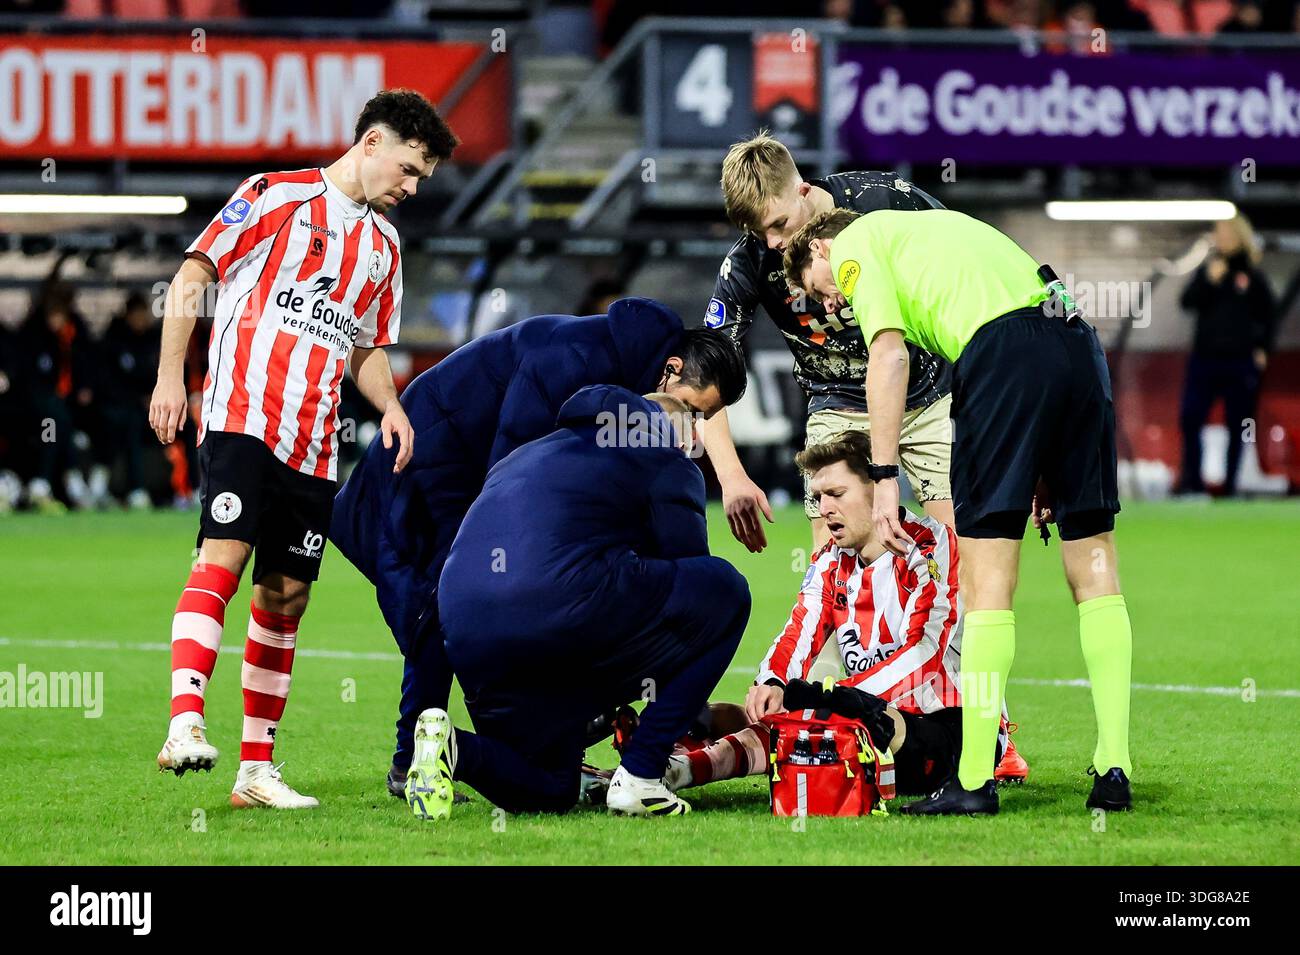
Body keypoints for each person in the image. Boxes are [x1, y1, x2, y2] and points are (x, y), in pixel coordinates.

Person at [150, 88, 458, 809]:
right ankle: (184, 720)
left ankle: (256, 770)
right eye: (410, 170)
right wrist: (171, 376)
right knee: (222, 556)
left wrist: (393, 408)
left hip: (316, 439)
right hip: (242, 414)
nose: (411, 189)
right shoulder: (273, 195)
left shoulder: (384, 246)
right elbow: (194, 275)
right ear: (373, 142)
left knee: (285, 597)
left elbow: (366, 346)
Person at [784, 207, 1132, 815]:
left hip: (1001, 354)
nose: (834, 303)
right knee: (1095, 563)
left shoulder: (853, 244)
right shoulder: (929, 231)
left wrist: (885, 476)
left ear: (818, 247)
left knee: (985, 576)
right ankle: (1114, 765)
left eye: (821, 290)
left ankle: (974, 779)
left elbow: (888, 358)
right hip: (1076, 340)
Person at [328, 300, 747, 798]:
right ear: (671, 369)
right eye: (696, 410)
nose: (693, 428)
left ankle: (451, 749)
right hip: (434, 459)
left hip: (474, 480)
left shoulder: (612, 370)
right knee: (434, 606)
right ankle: (408, 760)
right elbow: (513, 459)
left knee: (467, 605)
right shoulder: (575, 357)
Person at [406, 386, 750, 818]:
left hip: (464, 628)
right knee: (727, 591)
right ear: (677, 436)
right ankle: (640, 777)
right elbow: (691, 599)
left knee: (551, 787)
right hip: (559, 610)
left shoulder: (526, 454)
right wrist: (686, 714)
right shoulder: (664, 455)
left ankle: (453, 747)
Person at [661, 432, 1016, 798]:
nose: (824, 508)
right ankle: (670, 768)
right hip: (861, 714)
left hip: (944, 722)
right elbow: (801, 625)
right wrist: (773, 681)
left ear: (878, 490)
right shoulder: (832, 560)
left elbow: (926, 655)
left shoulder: (929, 547)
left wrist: (838, 696)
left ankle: (686, 751)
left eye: (836, 494)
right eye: (817, 497)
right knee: (795, 721)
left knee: (825, 723)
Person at [700, 131, 953, 555]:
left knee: (956, 549)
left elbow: (962, 250)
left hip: (924, 394)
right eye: (759, 233)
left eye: (779, 225)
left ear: (803, 191)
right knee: (834, 558)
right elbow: (707, 376)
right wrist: (732, 477)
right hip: (837, 403)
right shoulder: (748, 263)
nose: (774, 243)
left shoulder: (882, 198)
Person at [1177, 214, 1276, 496]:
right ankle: (1192, 484)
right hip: (1205, 359)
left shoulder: (1252, 275)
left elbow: (1268, 316)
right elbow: (1187, 302)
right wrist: (1208, 281)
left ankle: (1231, 485)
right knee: (1191, 418)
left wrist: (1262, 350)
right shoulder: (1209, 269)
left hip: (1240, 361)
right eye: (1217, 233)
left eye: (1225, 232)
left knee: (1238, 423)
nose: (1220, 238)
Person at [98, 291, 162, 509]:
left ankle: (190, 488)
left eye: (143, 315)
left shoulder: (153, 340)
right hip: (116, 408)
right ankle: (136, 489)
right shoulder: (114, 341)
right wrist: (138, 399)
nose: (141, 320)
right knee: (130, 425)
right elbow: (109, 383)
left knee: (189, 425)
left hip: (152, 407)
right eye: (137, 315)